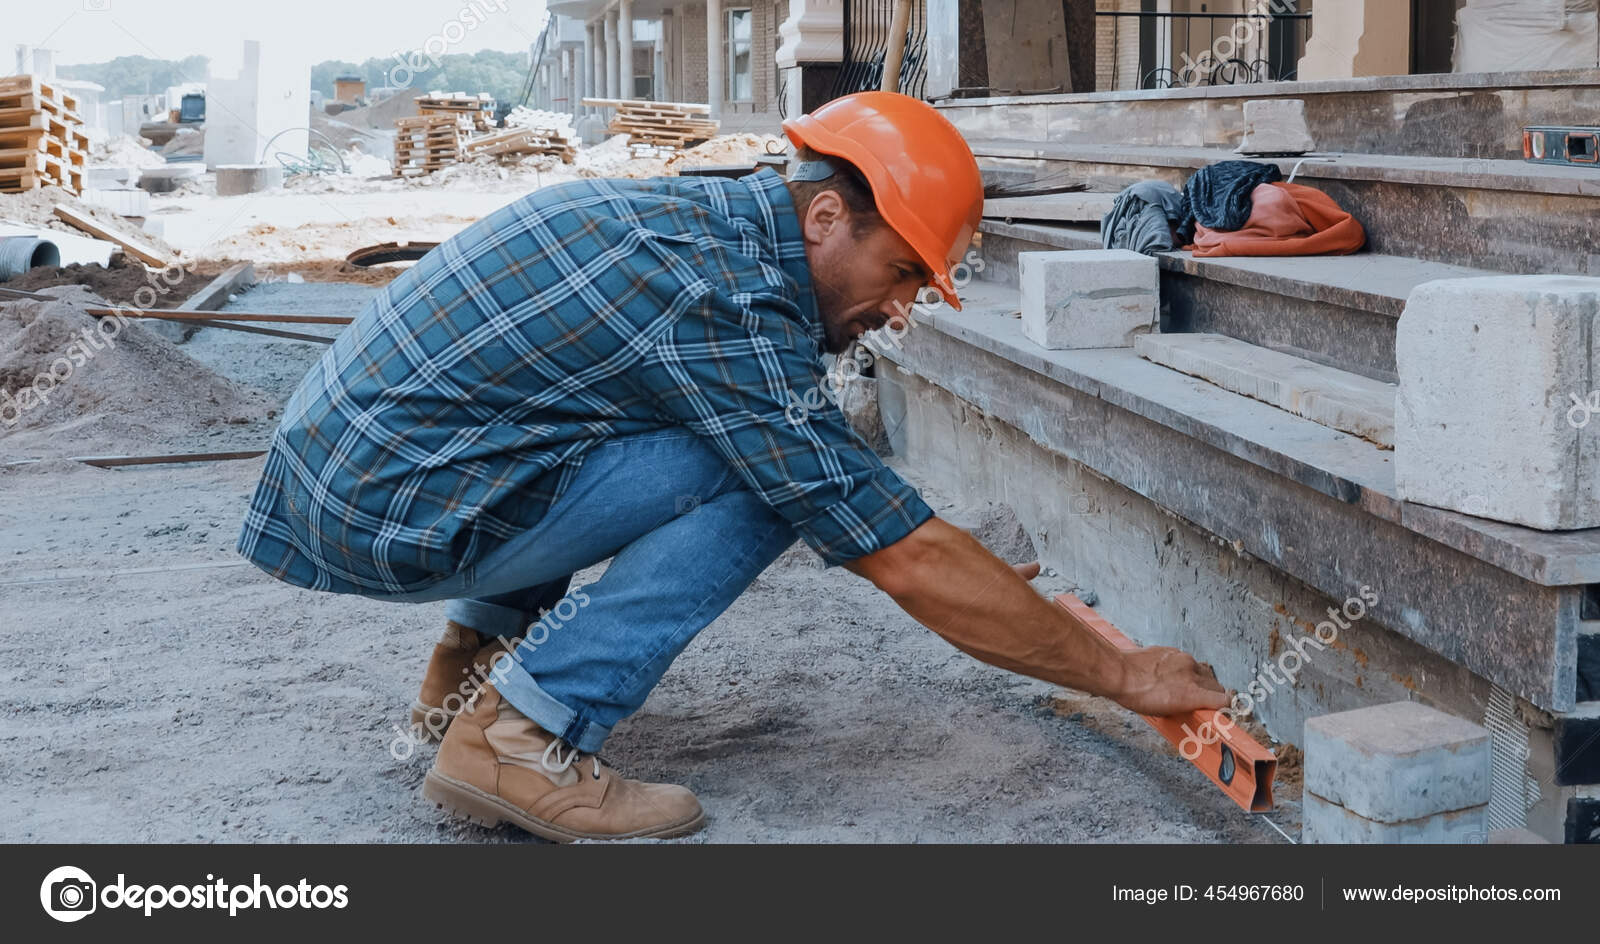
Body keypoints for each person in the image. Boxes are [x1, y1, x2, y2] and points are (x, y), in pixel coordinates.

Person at [237, 92, 1228, 842]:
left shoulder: (702, 231)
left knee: (690, 442)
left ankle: (474, 673)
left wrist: (961, 575)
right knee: (767, 479)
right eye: (900, 274)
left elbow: (883, 531)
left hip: (363, 481)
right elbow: (881, 537)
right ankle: (514, 737)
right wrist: (1119, 670)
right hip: (384, 508)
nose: (899, 310)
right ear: (827, 219)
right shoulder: (727, 302)